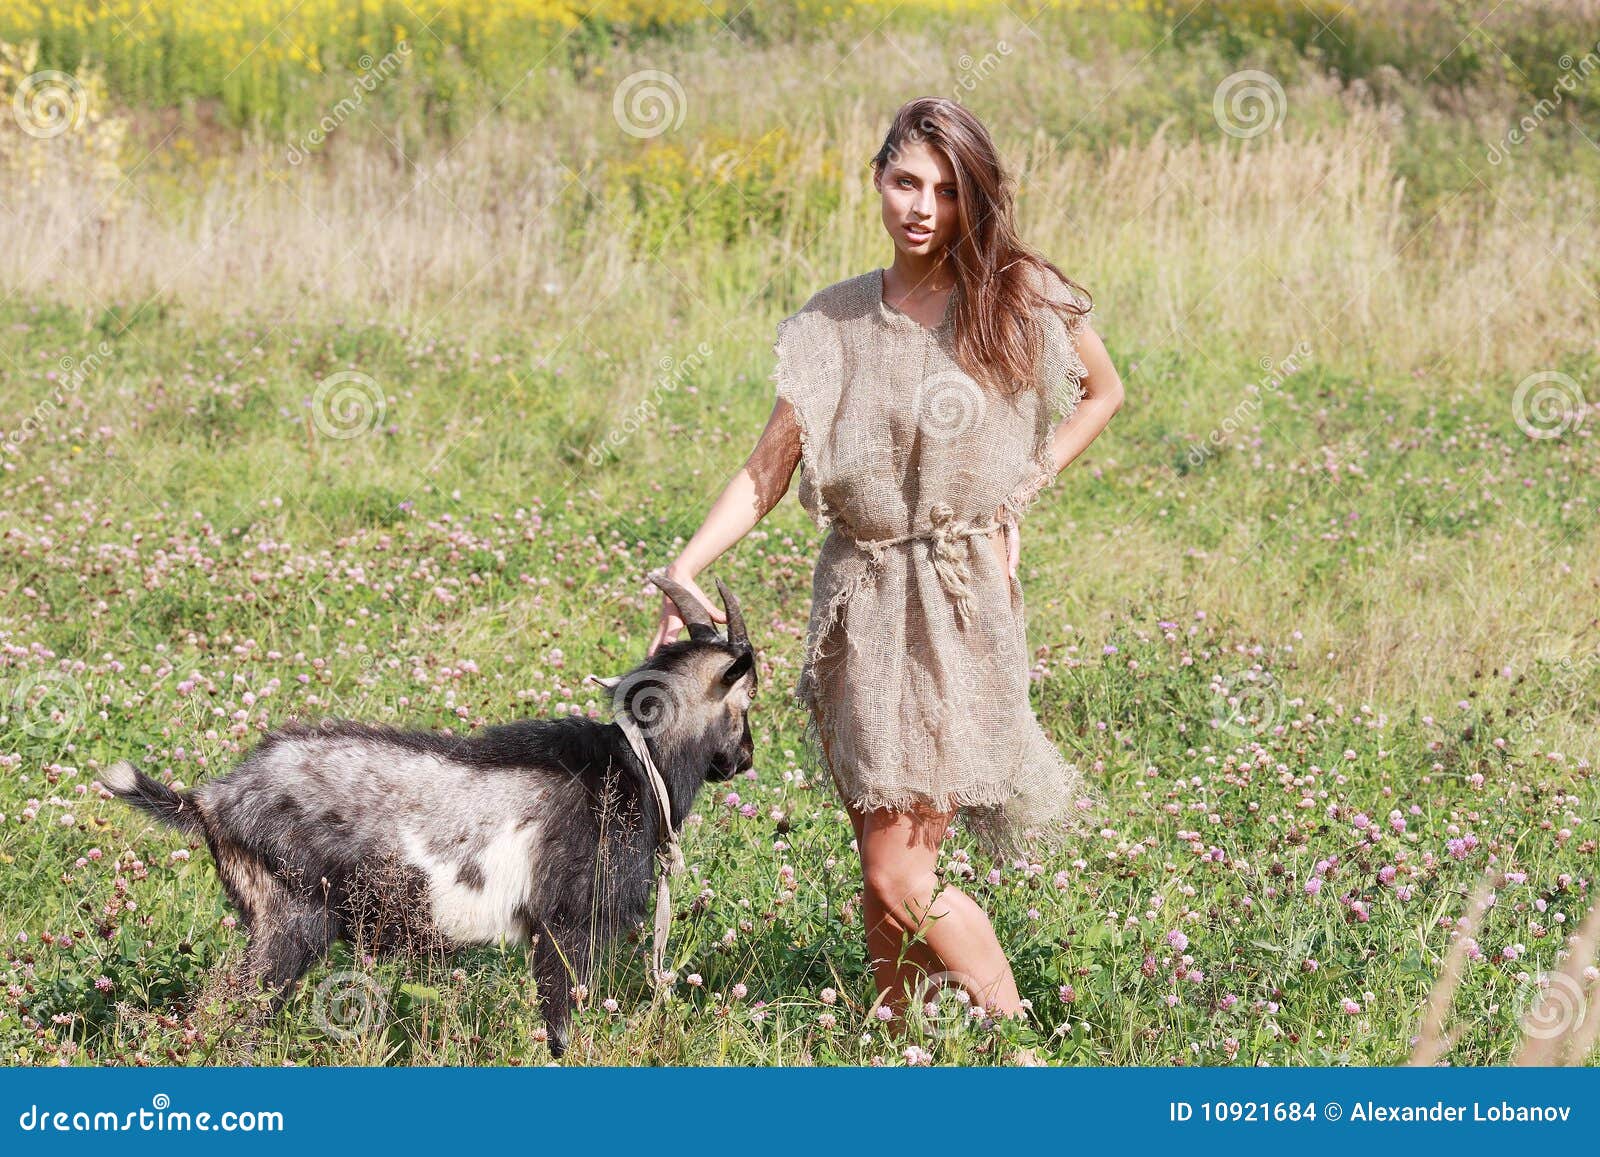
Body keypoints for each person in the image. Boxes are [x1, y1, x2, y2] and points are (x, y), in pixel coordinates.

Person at [647, 96, 1124, 1052]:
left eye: (947, 191)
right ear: (877, 178)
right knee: (885, 861)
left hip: (958, 598)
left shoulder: (1011, 289)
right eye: (906, 182)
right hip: (857, 604)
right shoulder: (830, 322)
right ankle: (895, 1043)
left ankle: (1022, 1043)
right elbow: (769, 466)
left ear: (971, 200)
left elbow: (1104, 391)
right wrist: (684, 565)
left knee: (905, 875)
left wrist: (1018, 490)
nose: (923, 207)